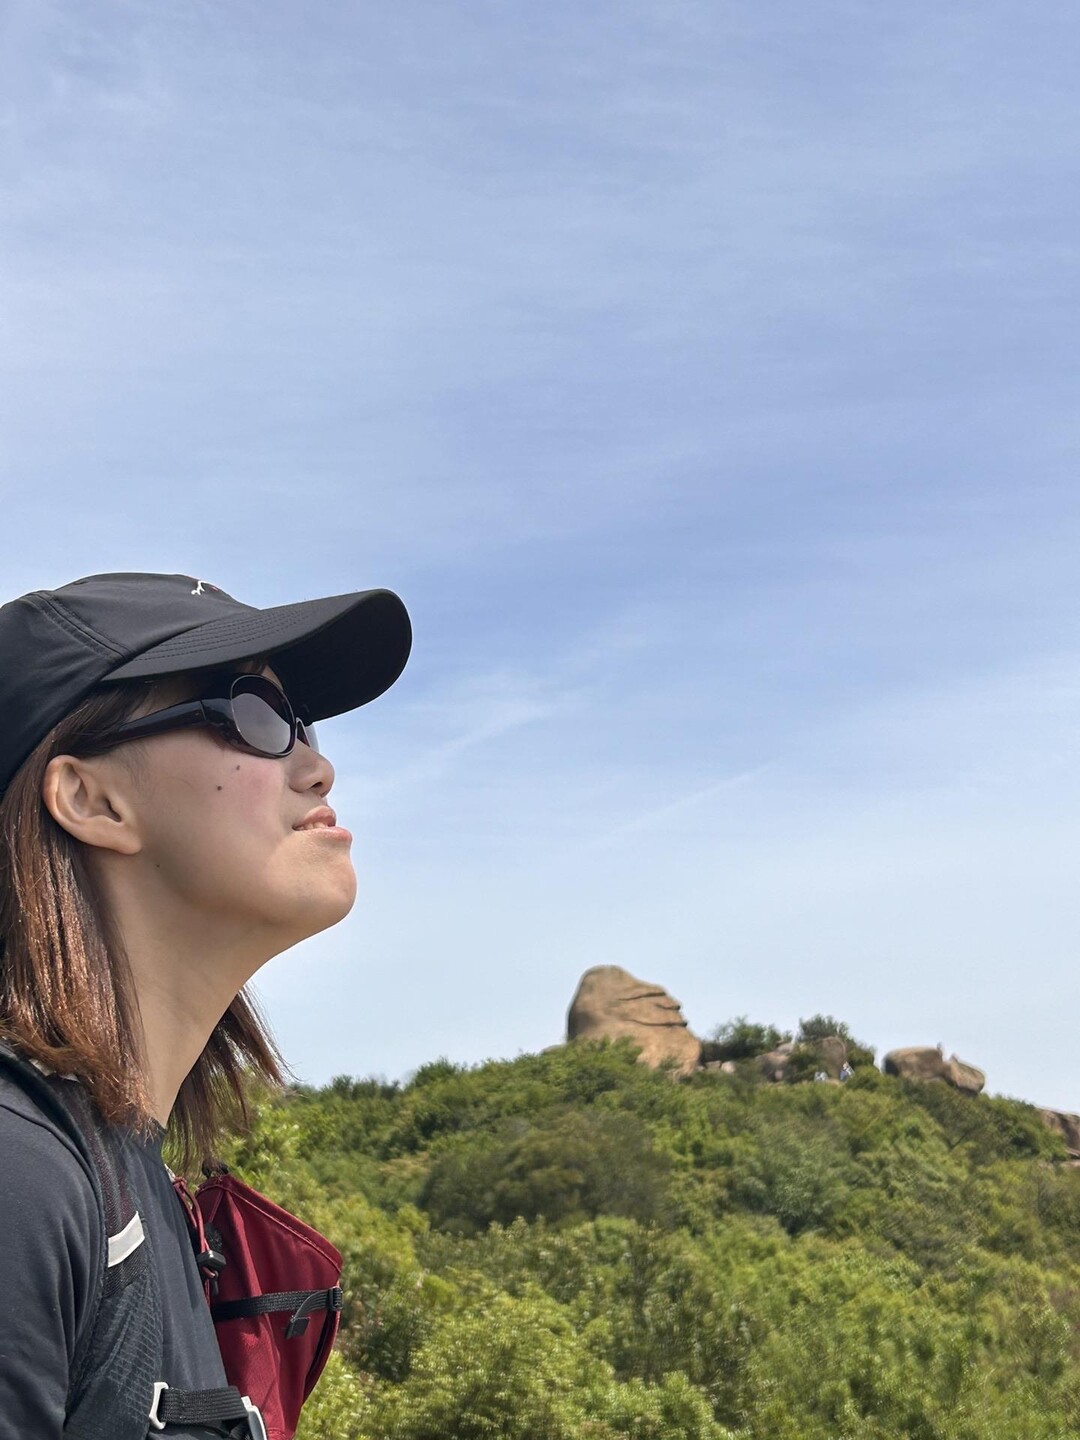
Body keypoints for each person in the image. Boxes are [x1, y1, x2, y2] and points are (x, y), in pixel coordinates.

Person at [0, 571, 411, 1439]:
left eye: (302, 722)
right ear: (91, 800)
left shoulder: (129, 1183)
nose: (317, 764)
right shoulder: (21, 1177)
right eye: (252, 714)